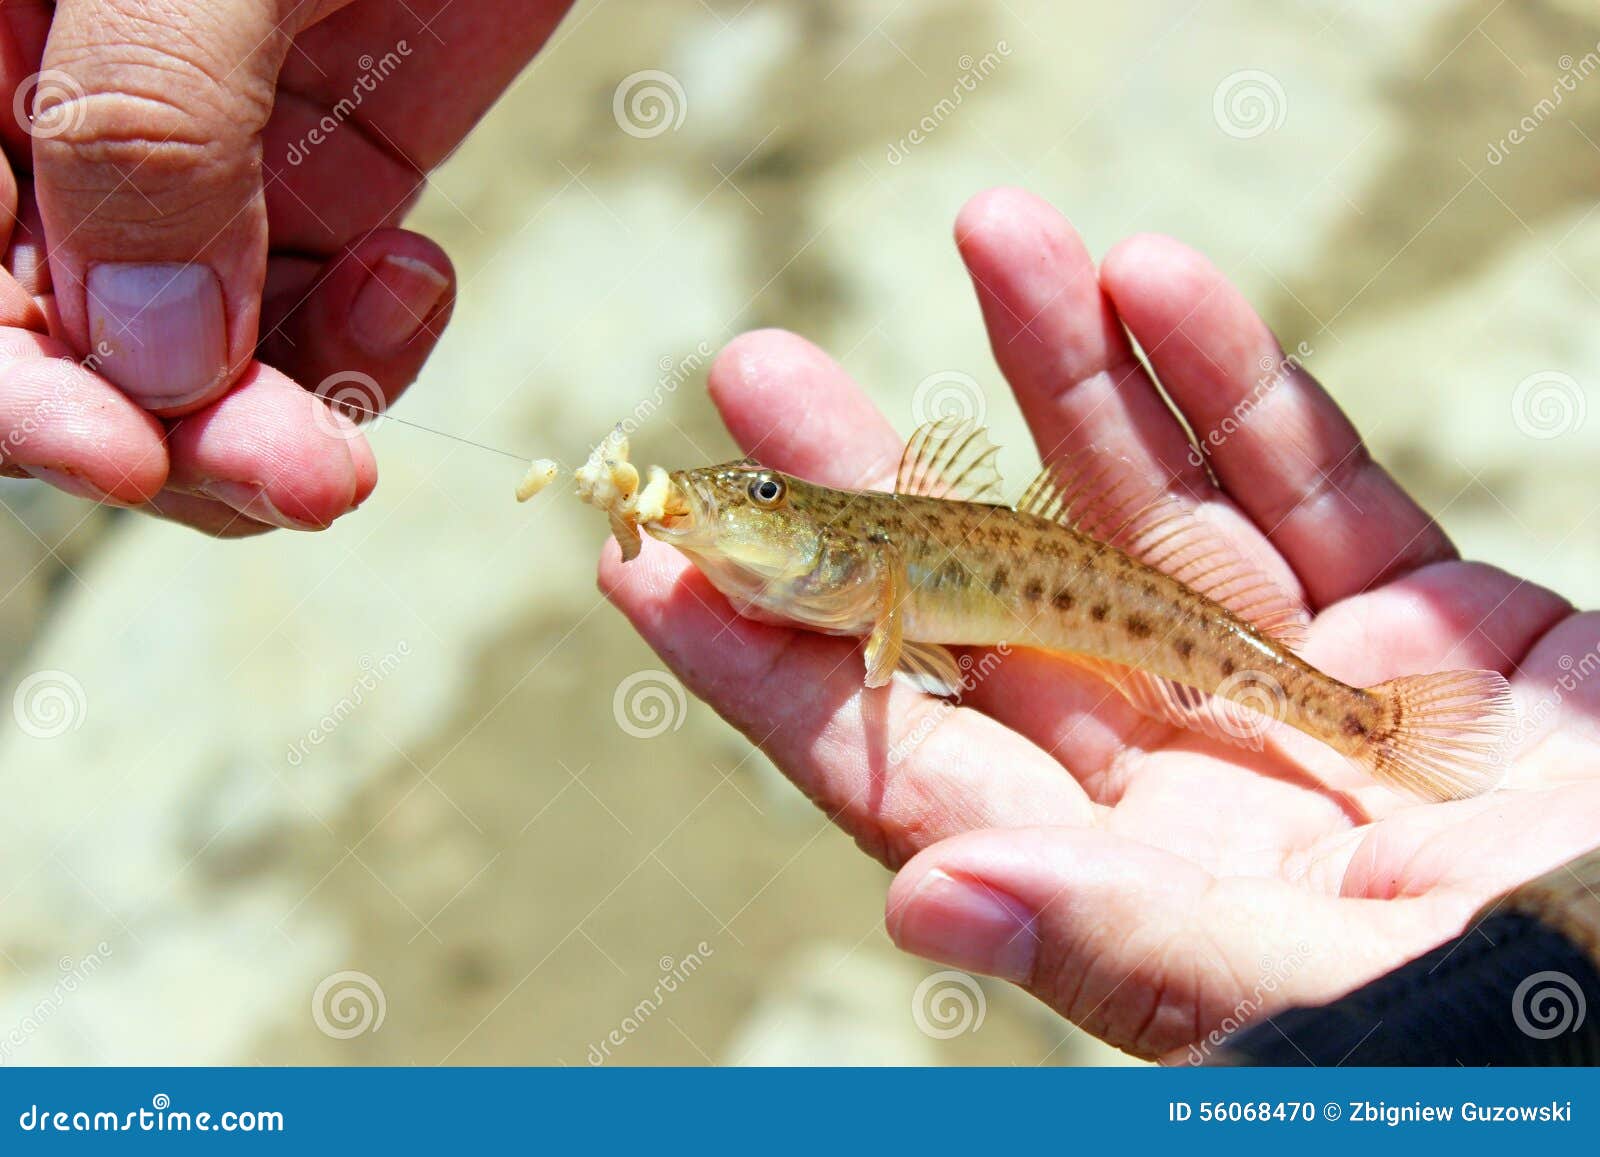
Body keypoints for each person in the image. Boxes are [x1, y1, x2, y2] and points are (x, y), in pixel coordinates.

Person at [9, 4, 1596, 1063]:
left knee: (1224, 676)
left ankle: (1359, 725)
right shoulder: (852, 568)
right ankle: (1359, 724)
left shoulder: (885, 577)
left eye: (760, 501)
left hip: (1209, 664)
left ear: (837, 541)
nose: (723, 507)